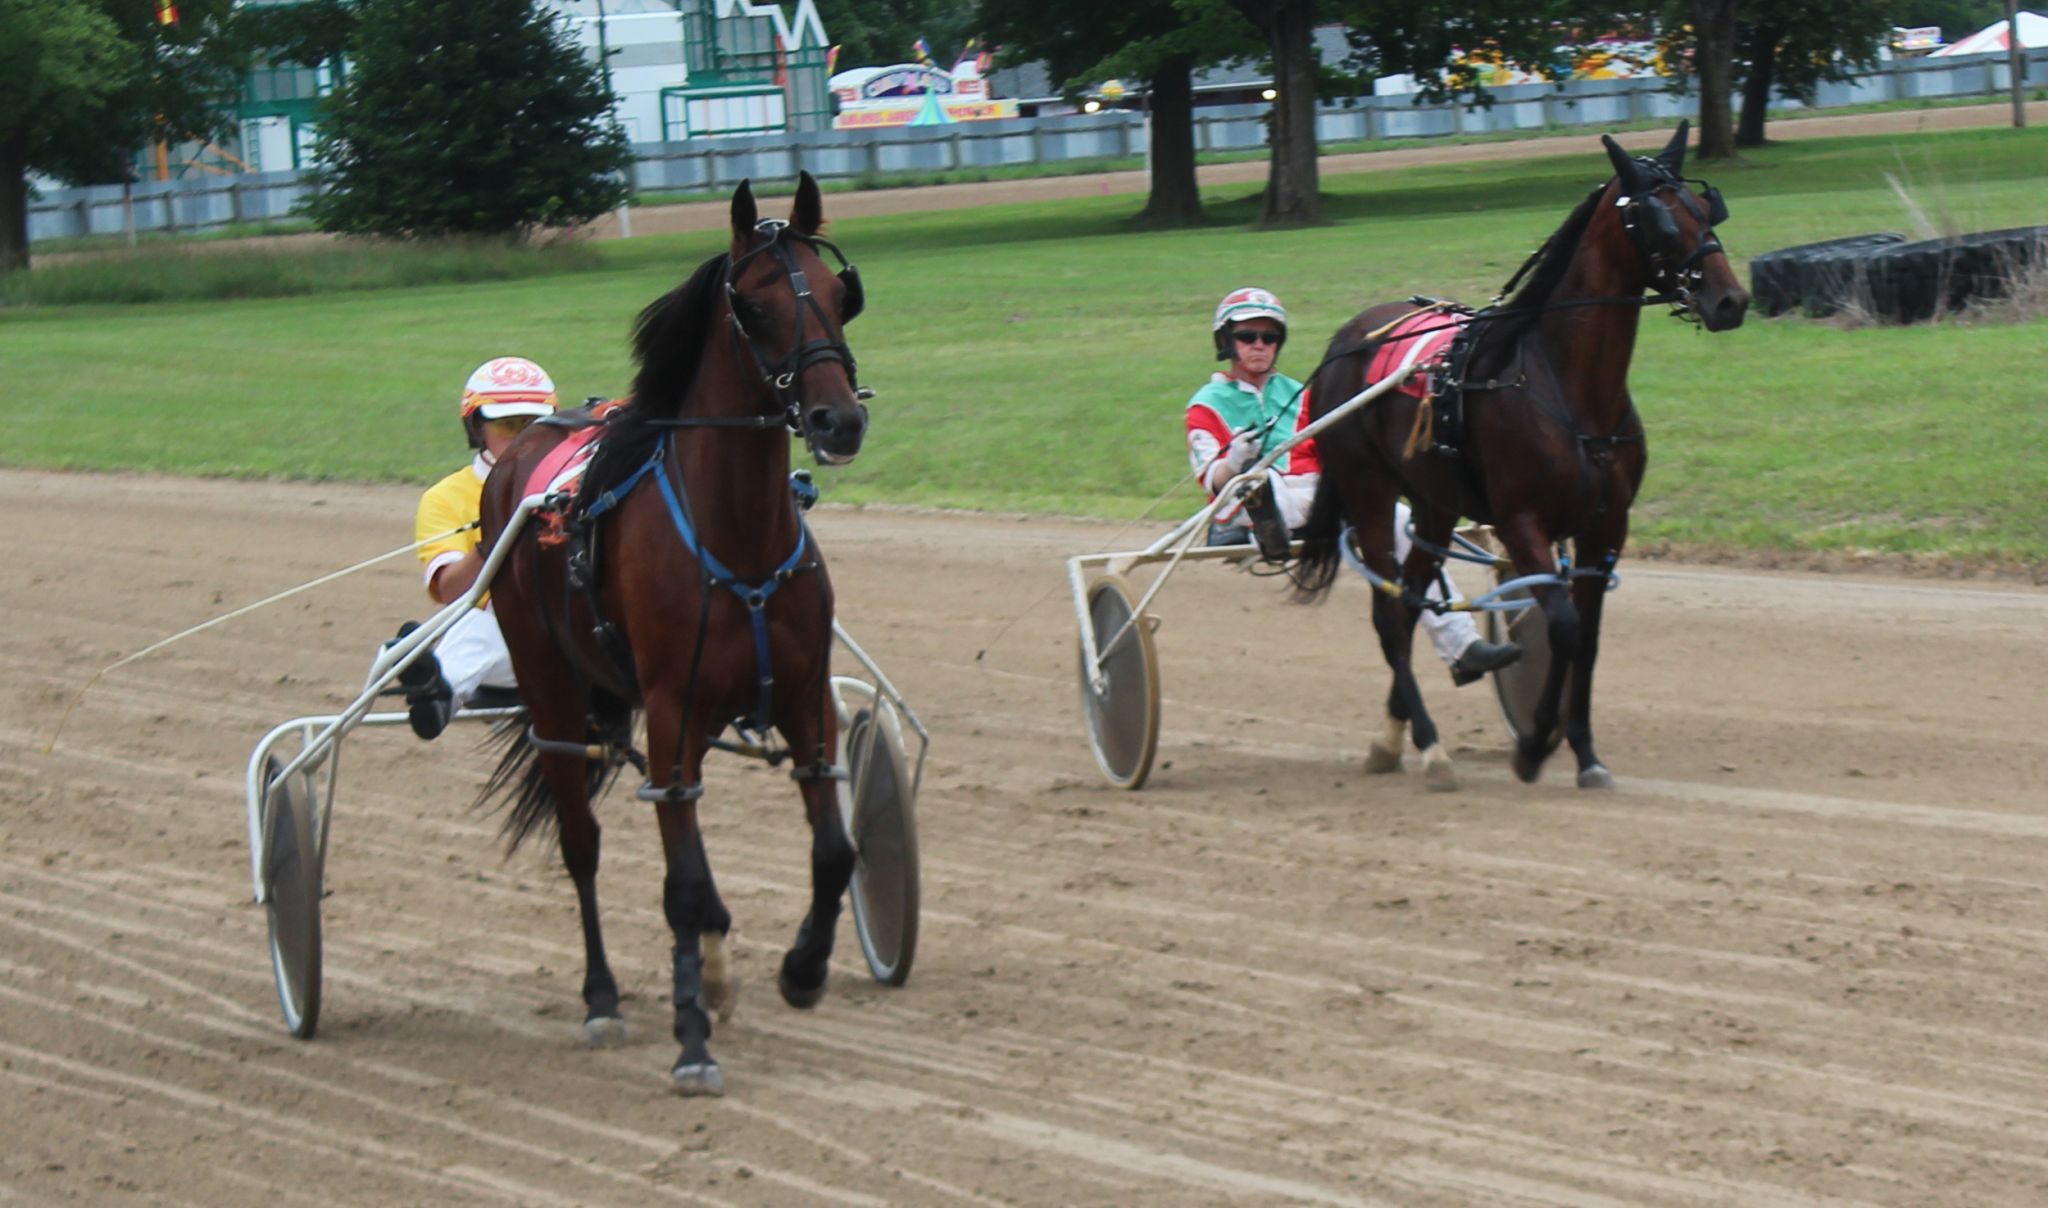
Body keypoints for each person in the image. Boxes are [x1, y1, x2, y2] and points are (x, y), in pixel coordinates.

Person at [1186, 288, 1521, 686]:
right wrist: (1234, 461)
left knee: (1407, 527)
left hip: (1316, 497)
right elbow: (1210, 477)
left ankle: (1464, 646)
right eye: (1247, 337)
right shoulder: (1206, 404)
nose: (1259, 345)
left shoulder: (1300, 394)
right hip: (1241, 500)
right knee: (1263, 483)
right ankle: (1265, 514)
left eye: (1269, 337)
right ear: (1226, 342)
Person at [397, 356, 560, 739]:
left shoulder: (574, 485)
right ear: (477, 426)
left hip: (578, 635)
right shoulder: (445, 499)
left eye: (533, 425)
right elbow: (452, 590)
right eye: (508, 425)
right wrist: (499, 532)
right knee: (476, 622)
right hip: (507, 649)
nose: (522, 438)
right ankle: (439, 693)